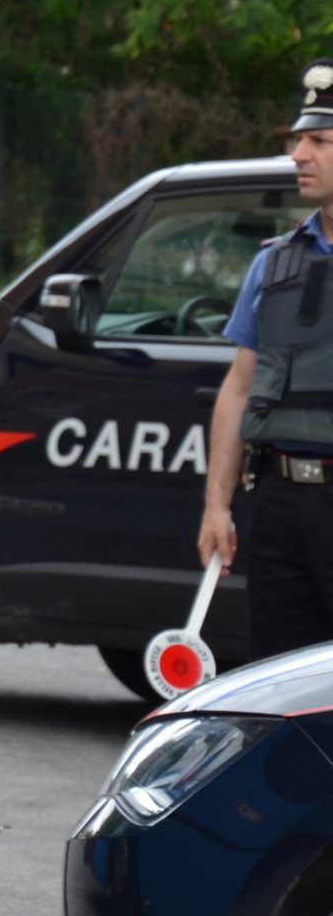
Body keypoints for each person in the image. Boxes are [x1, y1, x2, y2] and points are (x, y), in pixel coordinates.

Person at [197, 61, 333, 659]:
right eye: (298, 139)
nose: (299, 154)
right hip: (278, 504)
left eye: (319, 141)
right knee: (280, 688)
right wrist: (216, 505)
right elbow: (238, 387)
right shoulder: (274, 263)